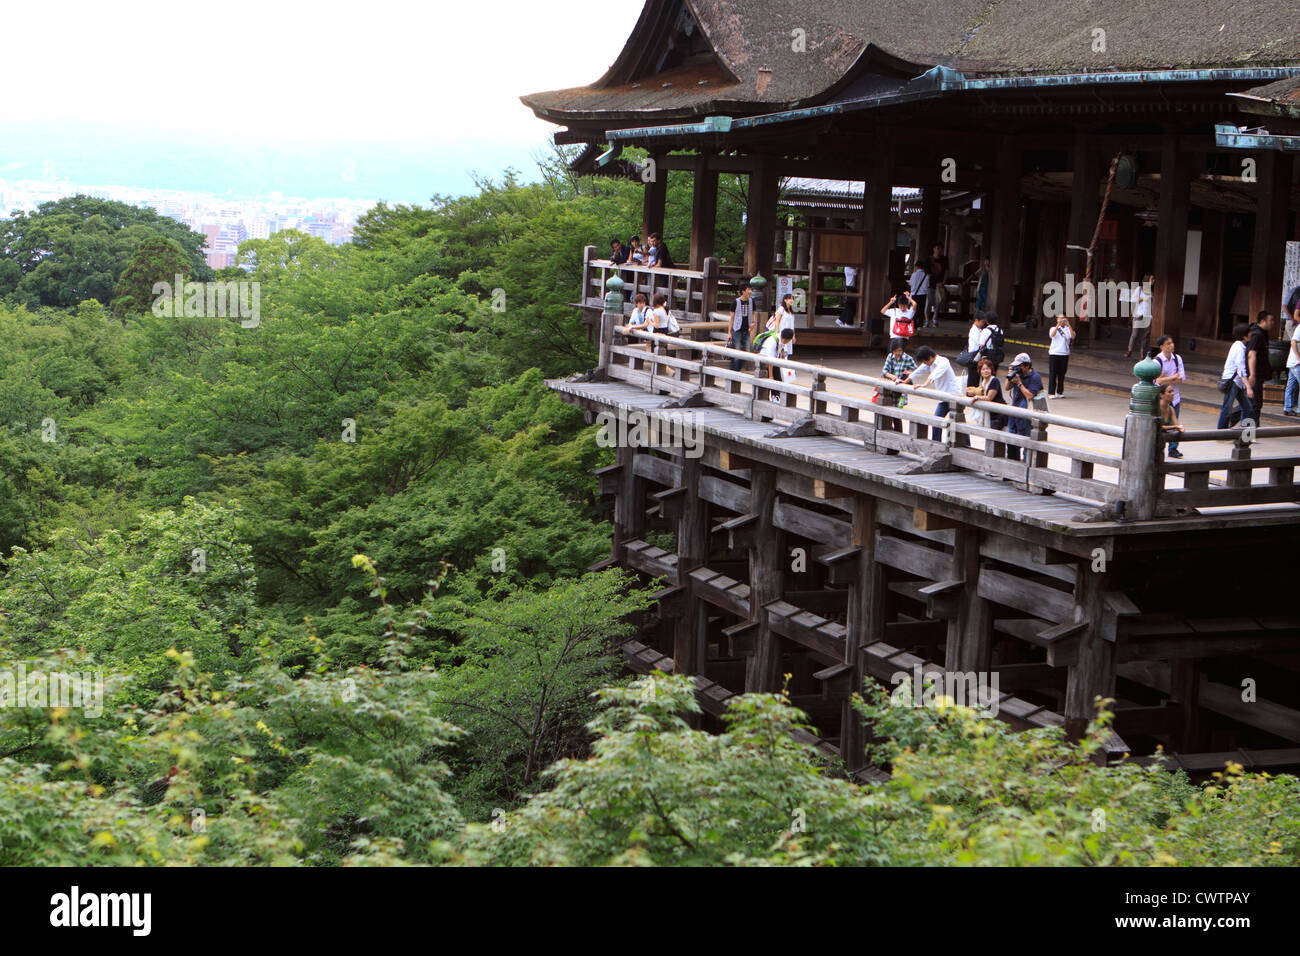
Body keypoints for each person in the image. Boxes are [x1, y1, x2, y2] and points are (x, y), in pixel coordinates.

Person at [901, 345, 963, 442]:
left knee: (958, 424)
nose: (924, 364)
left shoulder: (943, 362)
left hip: (953, 396)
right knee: (936, 422)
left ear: (930, 357)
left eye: (925, 361)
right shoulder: (929, 362)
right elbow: (918, 371)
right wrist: (904, 382)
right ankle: (936, 444)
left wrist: (924, 384)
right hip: (942, 398)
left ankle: (966, 444)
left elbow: (935, 374)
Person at [1004, 352, 1044, 461]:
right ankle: (1012, 469)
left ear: (1026, 365)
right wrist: (1010, 375)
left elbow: (1030, 395)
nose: (1017, 369)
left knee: (1027, 443)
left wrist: (1020, 383)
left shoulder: (1035, 377)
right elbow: (1006, 388)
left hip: (1027, 415)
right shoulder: (1017, 375)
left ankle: (1026, 469)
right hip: (1015, 411)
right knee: (1012, 441)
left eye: (1019, 366)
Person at [1152, 334, 1186, 457]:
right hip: (1161, 396)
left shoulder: (1177, 358)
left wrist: (1165, 378)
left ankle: (1173, 448)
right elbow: (1157, 381)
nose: (1172, 345)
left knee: (1175, 420)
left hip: (1174, 396)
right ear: (1161, 347)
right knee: (1160, 423)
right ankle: (1158, 446)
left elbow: (1182, 378)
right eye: (1168, 343)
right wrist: (1173, 377)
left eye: (1172, 342)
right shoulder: (1157, 361)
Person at [1216, 323, 1254, 429]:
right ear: (1245, 336)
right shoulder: (1239, 348)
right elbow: (1241, 369)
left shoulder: (1239, 345)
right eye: (1249, 333)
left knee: (1247, 407)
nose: (1251, 334)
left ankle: (1244, 432)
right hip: (1233, 381)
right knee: (1227, 407)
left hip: (1237, 382)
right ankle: (1221, 431)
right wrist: (1249, 387)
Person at [1246, 310, 1275, 425]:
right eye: (1271, 320)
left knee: (1252, 403)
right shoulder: (1257, 335)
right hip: (1254, 373)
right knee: (1254, 403)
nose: (1273, 323)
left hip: (1259, 372)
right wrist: (1252, 375)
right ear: (1263, 321)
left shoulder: (1262, 333)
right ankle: (1250, 431)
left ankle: (1227, 423)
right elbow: (1251, 354)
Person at [966, 356, 1007, 434]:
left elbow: (989, 397)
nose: (986, 371)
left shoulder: (994, 380)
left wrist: (976, 397)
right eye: (983, 369)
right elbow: (981, 391)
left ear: (991, 370)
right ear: (980, 371)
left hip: (997, 414)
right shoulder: (984, 381)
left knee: (994, 438)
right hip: (990, 413)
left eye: (988, 369)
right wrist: (973, 392)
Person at [881, 337, 917, 415]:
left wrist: (909, 372)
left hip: (901, 391)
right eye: (895, 351)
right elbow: (884, 371)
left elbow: (917, 371)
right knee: (888, 411)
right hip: (890, 388)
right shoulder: (890, 357)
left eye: (900, 350)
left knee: (897, 413)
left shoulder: (908, 358)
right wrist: (891, 376)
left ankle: (897, 427)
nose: (898, 353)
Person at [1126, 275, 1153, 358]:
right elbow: (1133, 300)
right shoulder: (1140, 289)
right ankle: (1129, 350)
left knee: (1145, 335)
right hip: (1138, 313)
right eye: (1152, 279)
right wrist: (1143, 299)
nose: (1153, 281)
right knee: (1135, 334)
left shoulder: (1152, 292)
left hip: (1147, 315)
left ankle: (1142, 353)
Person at [729, 283, 754, 371]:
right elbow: (731, 318)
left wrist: (753, 322)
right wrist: (729, 332)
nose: (750, 292)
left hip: (746, 330)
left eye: (751, 289)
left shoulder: (751, 301)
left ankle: (737, 368)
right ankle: (734, 371)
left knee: (747, 352)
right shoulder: (735, 302)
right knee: (737, 351)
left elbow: (753, 312)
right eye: (748, 290)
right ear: (743, 291)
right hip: (737, 330)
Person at [1047, 313, 1074, 397]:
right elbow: (1052, 335)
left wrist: (1068, 325)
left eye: (1063, 318)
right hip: (1054, 353)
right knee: (1053, 374)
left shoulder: (1068, 329)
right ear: (1057, 319)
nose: (1062, 320)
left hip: (1064, 354)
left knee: (1062, 374)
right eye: (1060, 318)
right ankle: (1051, 392)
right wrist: (1058, 324)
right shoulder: (1053, 328)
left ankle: (1059, 392)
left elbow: (1072, 336)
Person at [963, 312, 992, 387]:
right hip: (973, 357)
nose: (983, 324)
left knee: (976, 377)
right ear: (976, 320)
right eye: (982, 322)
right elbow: (980, 343)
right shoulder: (974, 331)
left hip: (977, 357)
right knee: (973, 379)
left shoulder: (979, 329)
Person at [768, 292, 797, 358]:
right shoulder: (781, 309)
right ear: (785, 300)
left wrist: (793, 336)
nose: (791, 300)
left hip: (789, 334)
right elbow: (777, 320)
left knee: (786, 351)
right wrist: (777, 331)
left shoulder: (791, 312)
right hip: (782, 333)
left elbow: (792, 325)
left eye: (792, 299)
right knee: (781, 350)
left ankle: (783, 365)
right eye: (790, 299)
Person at [1157, 383, 1184, 455]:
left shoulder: (1171, 409)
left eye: (1173, 391)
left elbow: (1176, 424)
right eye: (1169, 392)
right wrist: (1175, 427)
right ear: (1161, 395)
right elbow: (1158, 427)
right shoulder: (1156, 408)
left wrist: (1180, 428)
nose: (1172, 394)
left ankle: (1173, 449)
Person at [926, 244, 948, 327]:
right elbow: (926, 272)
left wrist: (943, 282)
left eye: (940, 249)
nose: (939, 250)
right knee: (928, 303)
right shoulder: (929, 259)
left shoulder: (944, 259)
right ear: (934, 249)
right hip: (930, 284)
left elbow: (946, 271)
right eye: (937, 248)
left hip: (939, 284)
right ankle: (927, 320)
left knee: (938, 303)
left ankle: (935, 319)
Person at [908, 257, 930, 329]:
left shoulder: (913, 275)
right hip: (923, 294)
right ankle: (920, 324)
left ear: (916, 266)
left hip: (914, 294)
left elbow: (911, 283)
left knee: (914, 309)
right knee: (921, 309)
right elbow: (927, 285)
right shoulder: (926, 275)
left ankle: (912, 323)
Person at [1284, 317, 1300, 417]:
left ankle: (1287, 408)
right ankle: (1299, 409)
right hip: (1296, 362)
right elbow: (1293, 342)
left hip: (1293, 362)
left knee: (1291, 385)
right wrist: (1298, 358)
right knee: (1291, 385)